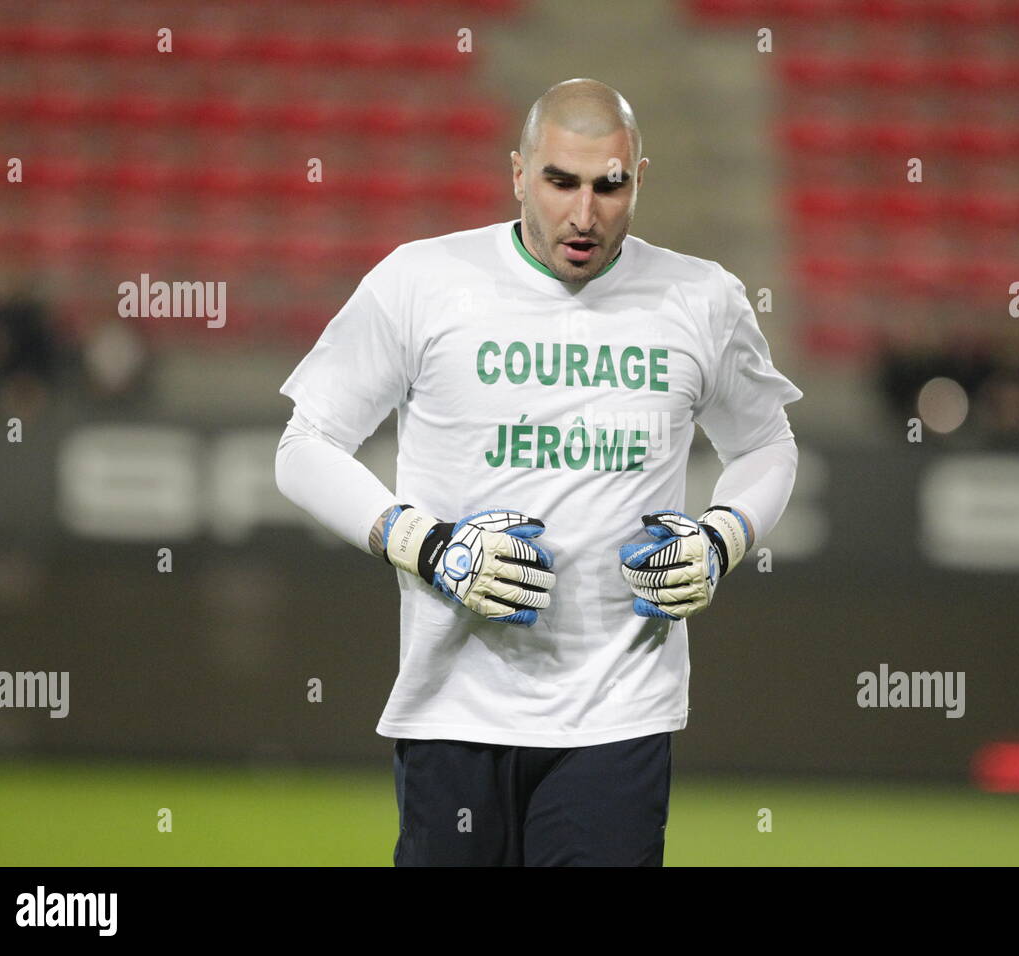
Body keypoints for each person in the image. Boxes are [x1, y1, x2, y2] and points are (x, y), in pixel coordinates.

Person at [274, 78, 802, 866]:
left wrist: (722, 538)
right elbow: (305, 445)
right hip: (452, 711)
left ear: (639, 180)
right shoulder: (422, 282)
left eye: (608, 186)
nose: (583, 215)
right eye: (560, 181)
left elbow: (767, 445)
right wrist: (425, 543)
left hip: (618, 718)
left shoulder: (702, 299)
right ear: (518, 172)